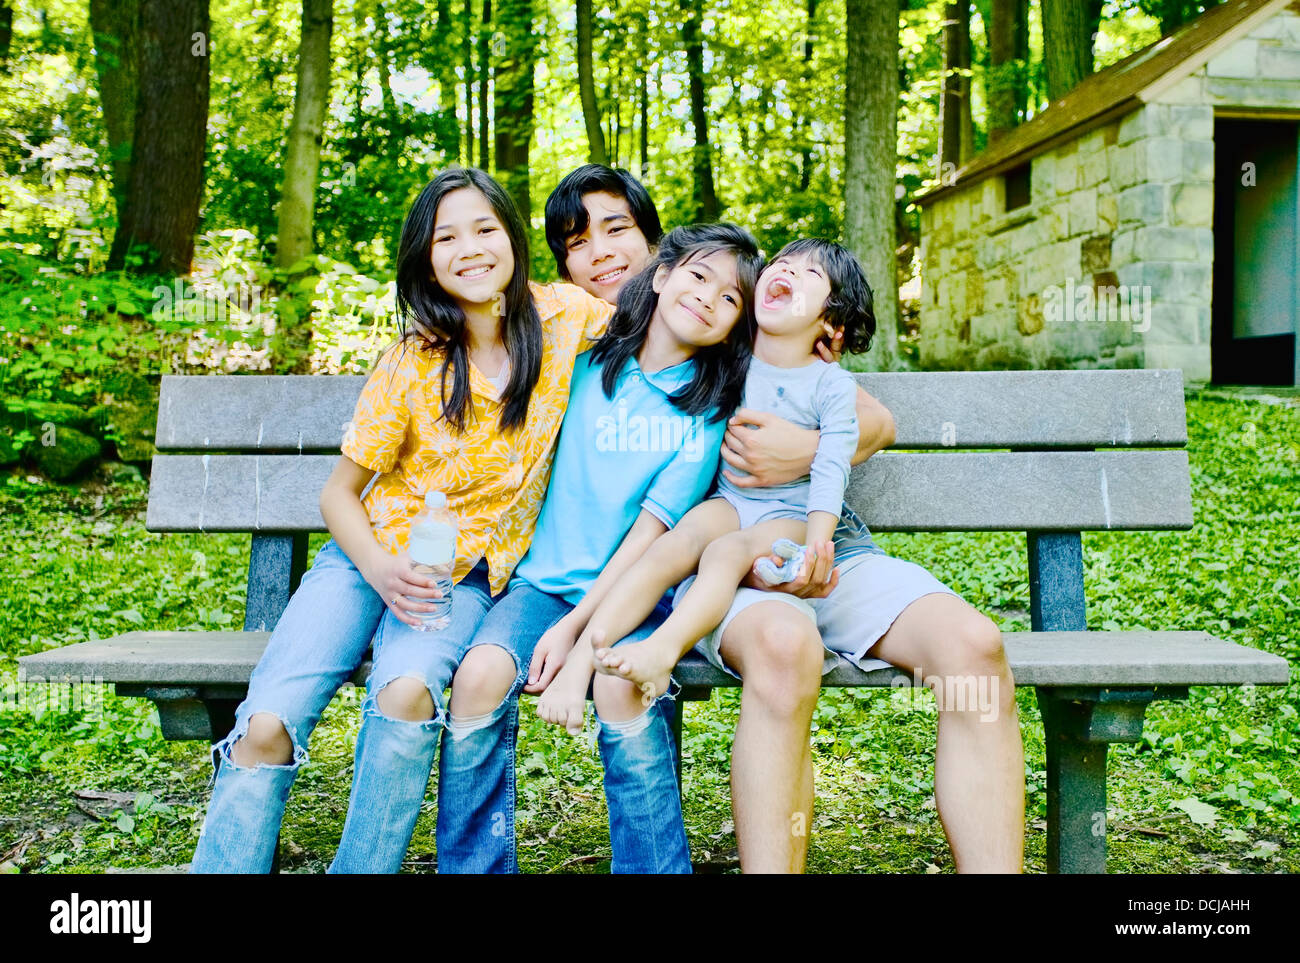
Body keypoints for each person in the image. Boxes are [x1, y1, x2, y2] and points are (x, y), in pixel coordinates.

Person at [544, 164, 1023, 874]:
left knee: (975, 649)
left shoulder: (737, 327)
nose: (602, 255)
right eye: (580, 245)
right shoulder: (599, 346)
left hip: (828, 550)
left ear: (661, 250)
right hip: (727, 566)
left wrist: (806, 448)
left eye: (619, 232)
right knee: (782, 643)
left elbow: (874, 418)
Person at [190, 166, 615, 873]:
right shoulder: (414, 359)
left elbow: (670, 325)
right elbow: (338, 495)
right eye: (447, 236)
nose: (470, 248)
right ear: (425, 259)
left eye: (485, 228)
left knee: (408, 693)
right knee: (265, 725)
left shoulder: (567, 317)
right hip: (365, 562)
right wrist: (381, 570)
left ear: (511, 236)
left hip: (461, 582)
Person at [475, 222, 762, 872]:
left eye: (730, 299)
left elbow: (649, 541)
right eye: (697, 276)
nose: (708, 298)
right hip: (538, 584)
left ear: (733, 327)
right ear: (660, 276)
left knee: (618, 688)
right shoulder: (580, 361)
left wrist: (579, 634)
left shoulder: (705, 413)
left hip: (636, 600)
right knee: (481, 675)